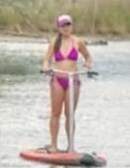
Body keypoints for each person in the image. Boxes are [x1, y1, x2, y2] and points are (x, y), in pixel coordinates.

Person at [40, 14, 93, 152]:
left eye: (68, 24)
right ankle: (54, 145)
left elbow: (87, 56)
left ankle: (71, 146)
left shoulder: (78, 42)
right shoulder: (54, 42)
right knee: (55, 112)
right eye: (63, 25)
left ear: (72, 25)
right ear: (58, 27)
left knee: (70, 113)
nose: (66, 28)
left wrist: (87, 64)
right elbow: (47, 59)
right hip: (58, 79)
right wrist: (45, 67)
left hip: (73, 79)